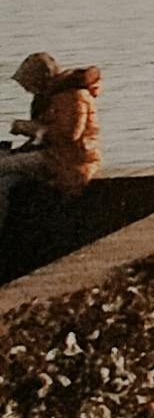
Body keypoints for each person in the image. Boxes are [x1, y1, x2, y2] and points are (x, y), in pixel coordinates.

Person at [0, 51, 101, 272]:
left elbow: (69, 135)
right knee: (5, 181)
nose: (26, 89)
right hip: (53, 156)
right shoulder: (52, 96)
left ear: (40, 79)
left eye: (27, 83)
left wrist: (31, 128)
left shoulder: (72, 96)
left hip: (68, 162)